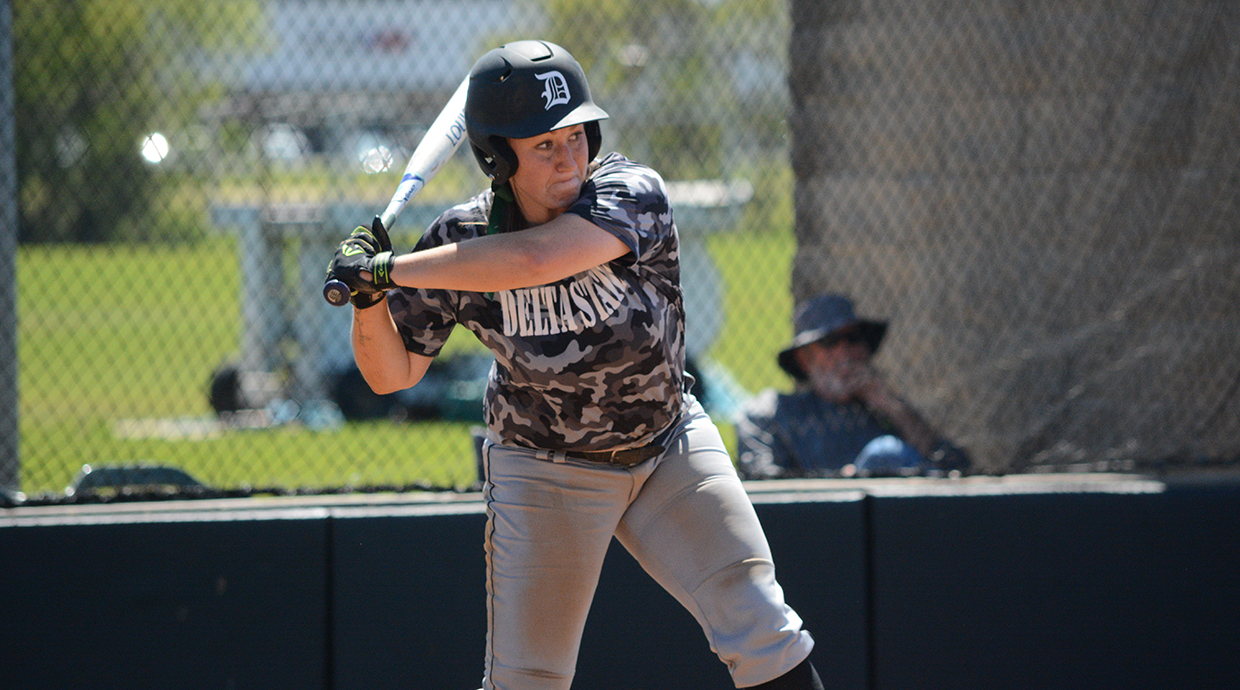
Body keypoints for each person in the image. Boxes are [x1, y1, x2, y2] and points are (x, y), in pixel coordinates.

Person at [326, 40, 823, 690]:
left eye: (577, 137)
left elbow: (533, 260)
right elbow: (393, 376)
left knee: (762, 627)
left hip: (666, 444)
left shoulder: (631, 193)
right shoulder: (458, 245)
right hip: (542, 468)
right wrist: (368, 299)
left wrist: (390, 268)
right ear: (498, 157)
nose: (570, 159)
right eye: (543, 146)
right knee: (527, 681)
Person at [736, 293, 972, 479]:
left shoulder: (883, 415)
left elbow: (955, 469)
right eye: (829, 342)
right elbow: (764, 487)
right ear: (804, 359)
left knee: (887, 452)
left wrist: (891, 405)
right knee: (884, 453)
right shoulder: (776, 413)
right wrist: (843, 484)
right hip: (823, 527)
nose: (844, 351)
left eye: (852, 339)